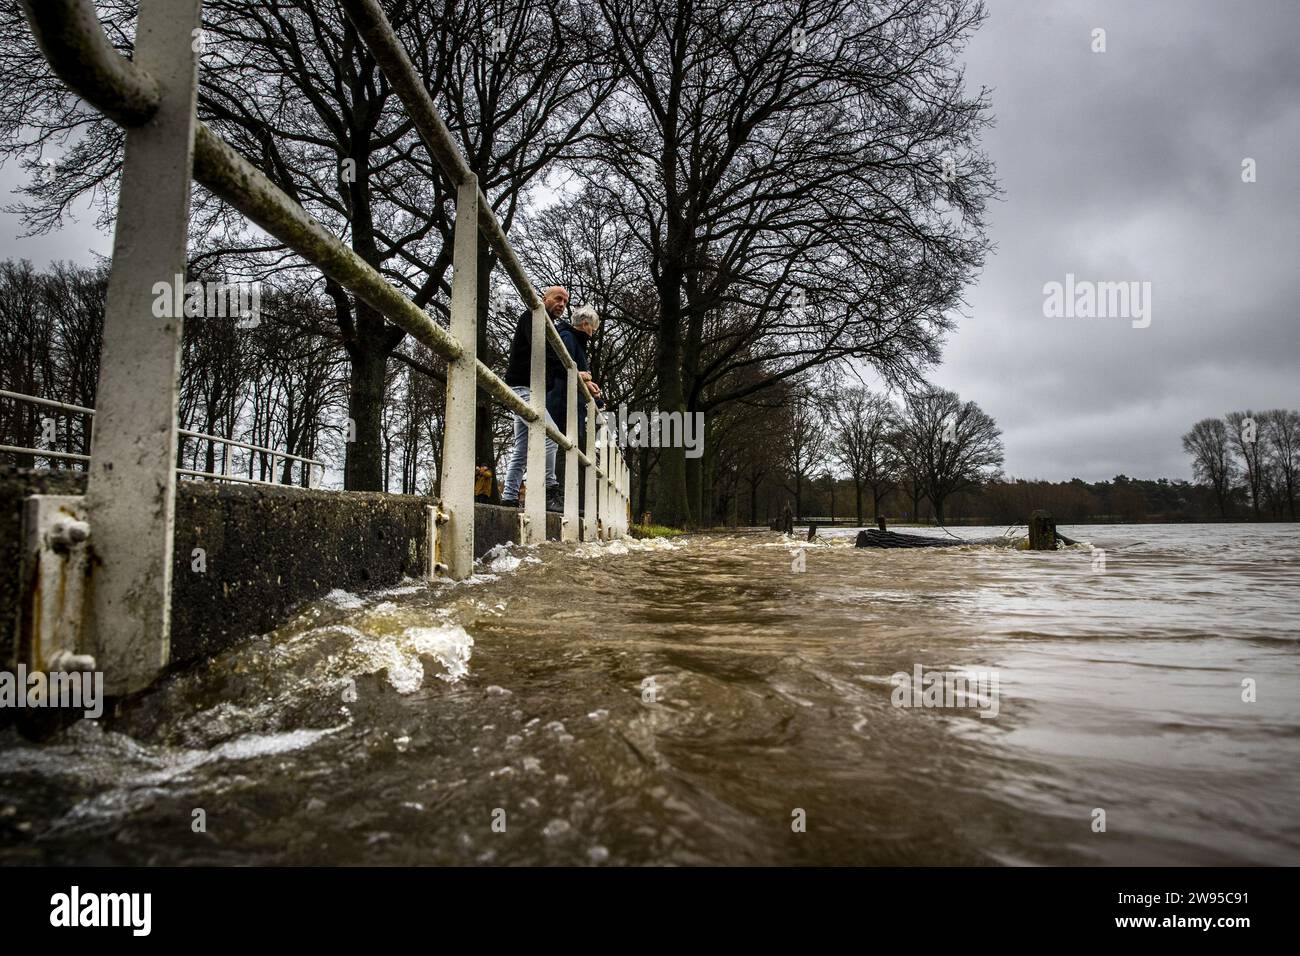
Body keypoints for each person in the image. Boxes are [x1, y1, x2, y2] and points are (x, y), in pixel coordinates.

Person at [501, 285, 568, 510]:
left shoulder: (550, 326)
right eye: (558, 299)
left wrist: (580, 378)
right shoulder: (533, 316)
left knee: (521, 446)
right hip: (522, 387)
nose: (562, 304)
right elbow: (543, 352)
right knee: (550, 436)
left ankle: (509, 497)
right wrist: (572, 370)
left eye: (565, 302)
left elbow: (553, 361)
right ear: (544, 298)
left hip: (531, 389)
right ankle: (549, 491)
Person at [547, 304, 602, 511]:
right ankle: (562, 497)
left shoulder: (574, 340)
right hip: (562, 402)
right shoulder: (569, 338)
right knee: (565, 446)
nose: (593, 332)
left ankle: (567, 498)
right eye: (593, 328)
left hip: (569, 403)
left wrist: (590, 390)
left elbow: (574, 371)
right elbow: (564, 367)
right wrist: (582, 378)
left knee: (570, 448)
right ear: (586, 324)